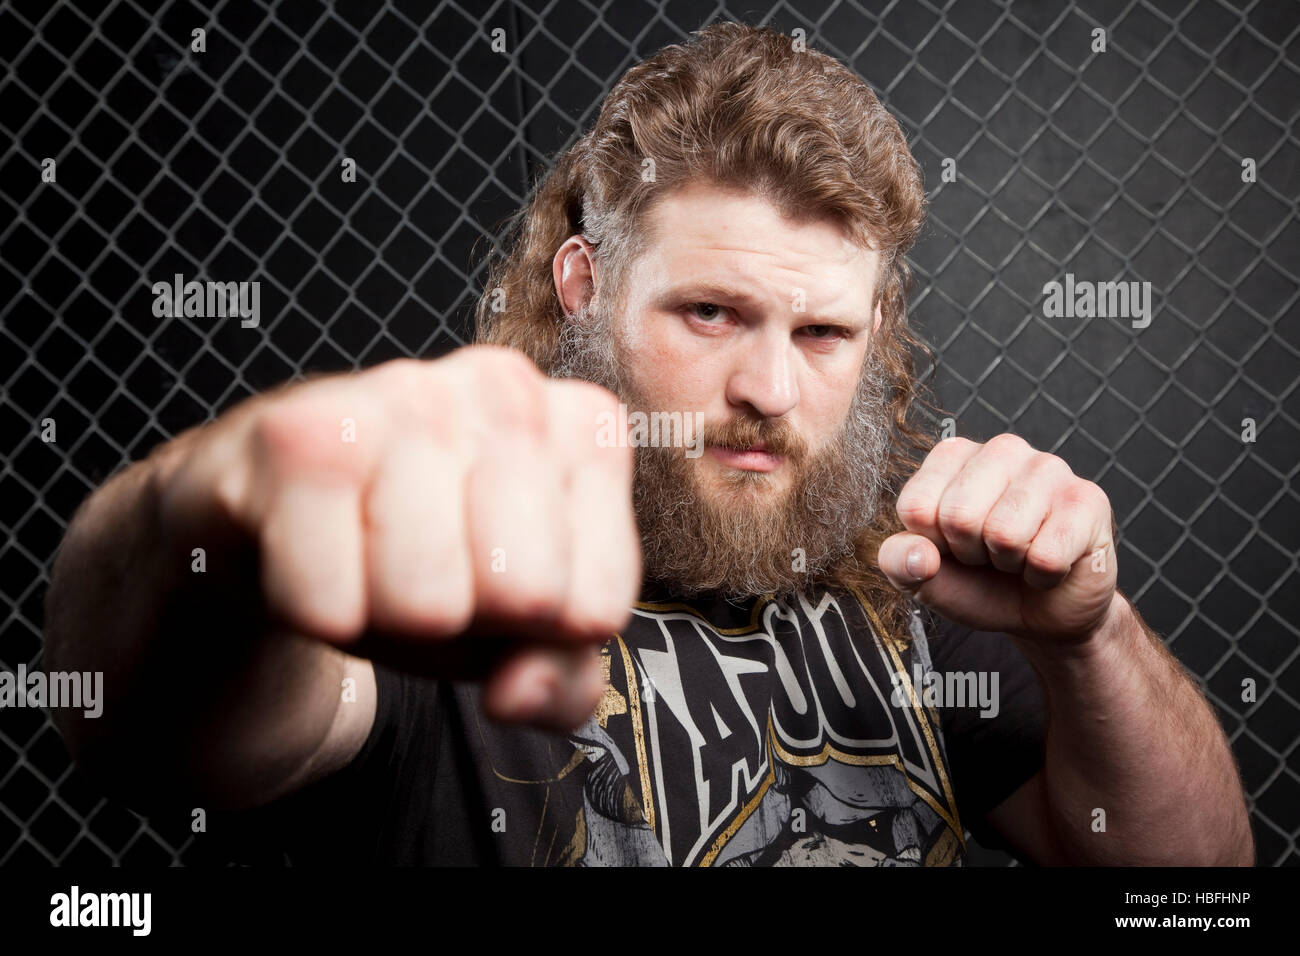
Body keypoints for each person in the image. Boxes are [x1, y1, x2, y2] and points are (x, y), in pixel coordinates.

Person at [43, 22, 1253, 867]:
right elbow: (139, 724)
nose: (770, 387)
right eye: (710, 312)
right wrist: (209, 519)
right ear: (585, 286)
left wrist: (1091, 636)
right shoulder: (455, 580)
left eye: (823, 331)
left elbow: (1185, 883)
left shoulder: (911, 589)